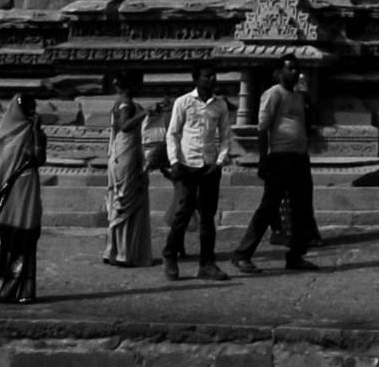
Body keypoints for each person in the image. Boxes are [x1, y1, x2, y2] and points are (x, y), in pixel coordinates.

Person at [229, 59, 318, 273]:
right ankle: (243, 254)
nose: (295, 72)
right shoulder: (273, 94)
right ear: (279, 72)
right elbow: (263, 128)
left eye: (297, 68)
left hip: (299, 157)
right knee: (268, 208)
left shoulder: (298, 97)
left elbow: (308, 125)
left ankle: (296, 255)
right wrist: (263, 159)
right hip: (280, 157)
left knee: (303, 208)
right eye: (291, 68)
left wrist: (307, 99)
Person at [0, 94, 48, 304]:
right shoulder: (1, 135)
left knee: (21, 240)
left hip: (25, 194)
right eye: (28, 108)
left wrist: (37, 132)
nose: (32, 112)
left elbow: (39, 159)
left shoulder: (34, 133)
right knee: (0, 239)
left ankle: (20, 290)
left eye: (33, 107)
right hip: (2, 193)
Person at [160, 66, 236, 278]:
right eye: (207, 75)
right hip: (187, 164)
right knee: (183, 212)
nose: (212, 79)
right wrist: (174, 162)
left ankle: (207, 263)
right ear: (196, 79)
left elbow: (226, 136)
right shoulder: (183, 102)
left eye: (214, 75)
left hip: (209, 166)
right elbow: (173, 133)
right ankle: (170, 255)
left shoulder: (219, 105)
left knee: (207, 216)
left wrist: (219, 162)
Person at [96, 79, 151, 270]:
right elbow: (125, 125)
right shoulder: (125, 104)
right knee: (125, 202)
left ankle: (113, 250)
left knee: (121, 200)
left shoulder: (124, 102)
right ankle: (123, 253)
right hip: (125, 155)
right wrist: (145, 113)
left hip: (124, 154)